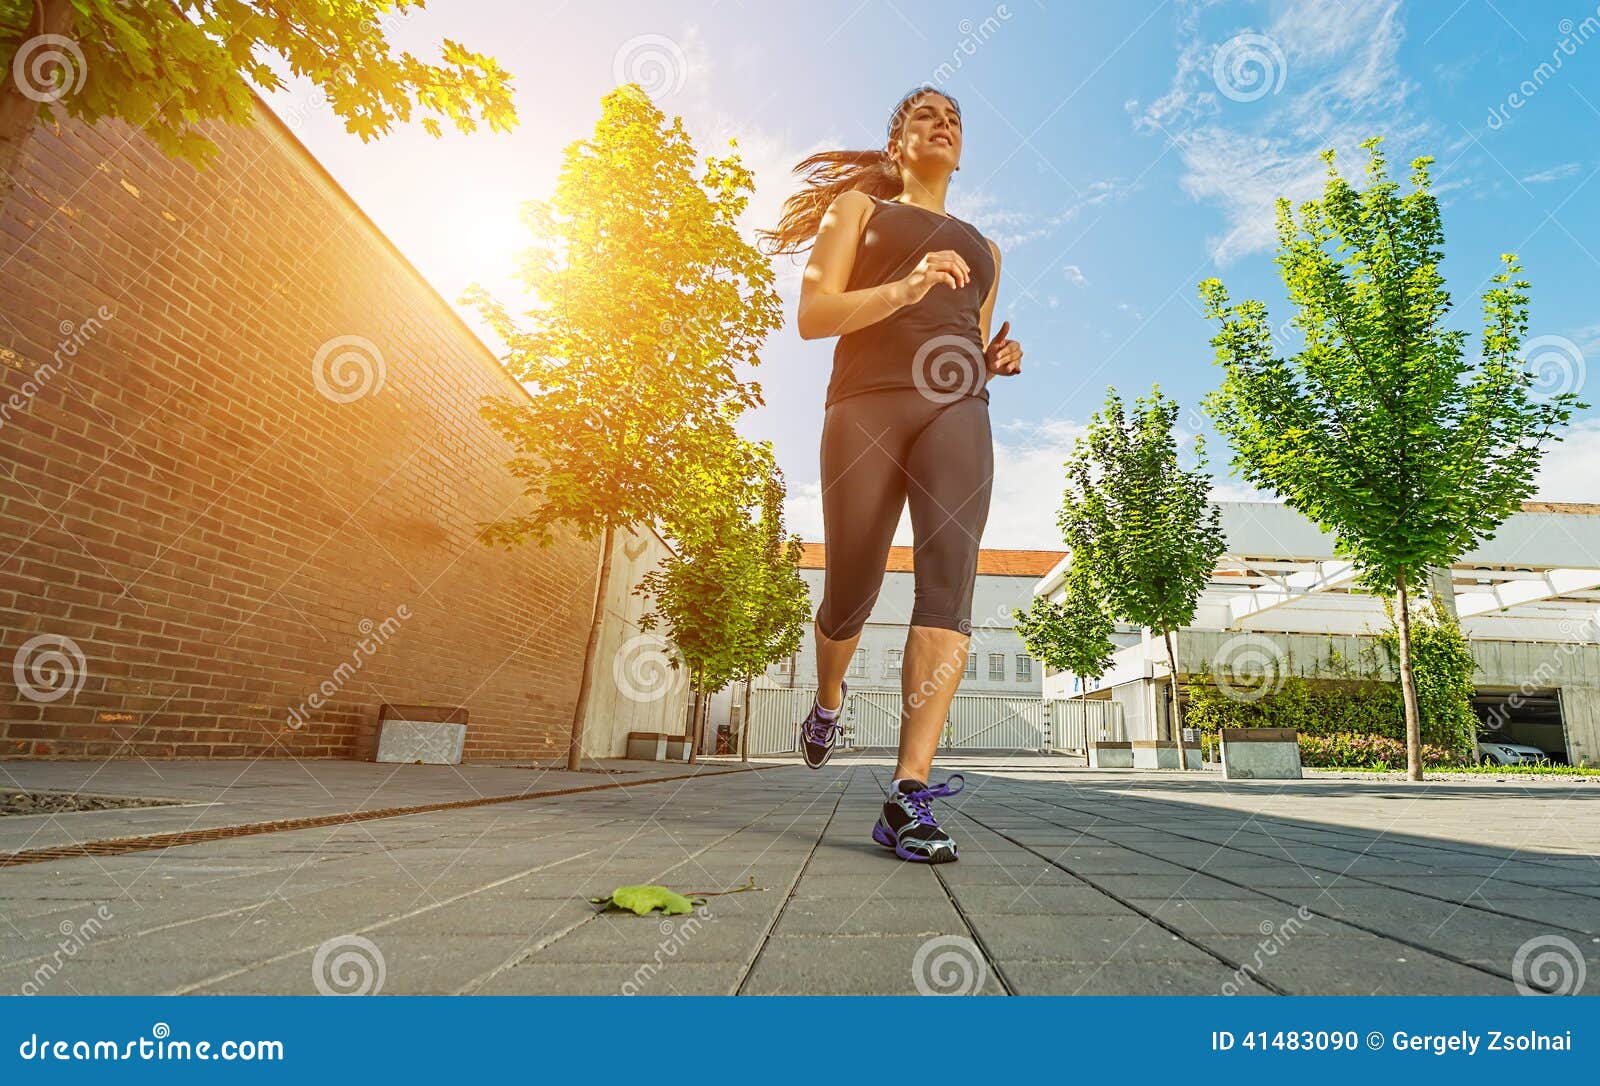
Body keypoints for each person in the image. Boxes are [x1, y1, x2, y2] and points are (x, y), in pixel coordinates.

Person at [757, 84, 1023, 863]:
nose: (942, 125)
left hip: (957, 408)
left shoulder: (986, 249)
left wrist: (992, 360)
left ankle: (909, 794)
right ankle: (828, 697)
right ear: (898, 144)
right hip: (866, 405)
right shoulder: (858, 213)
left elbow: (966, 337)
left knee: (949, 577)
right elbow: (813, 317)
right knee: (851, 589)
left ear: (961, 149)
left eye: (954, 120)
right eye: (924, 117)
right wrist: (906, 286)